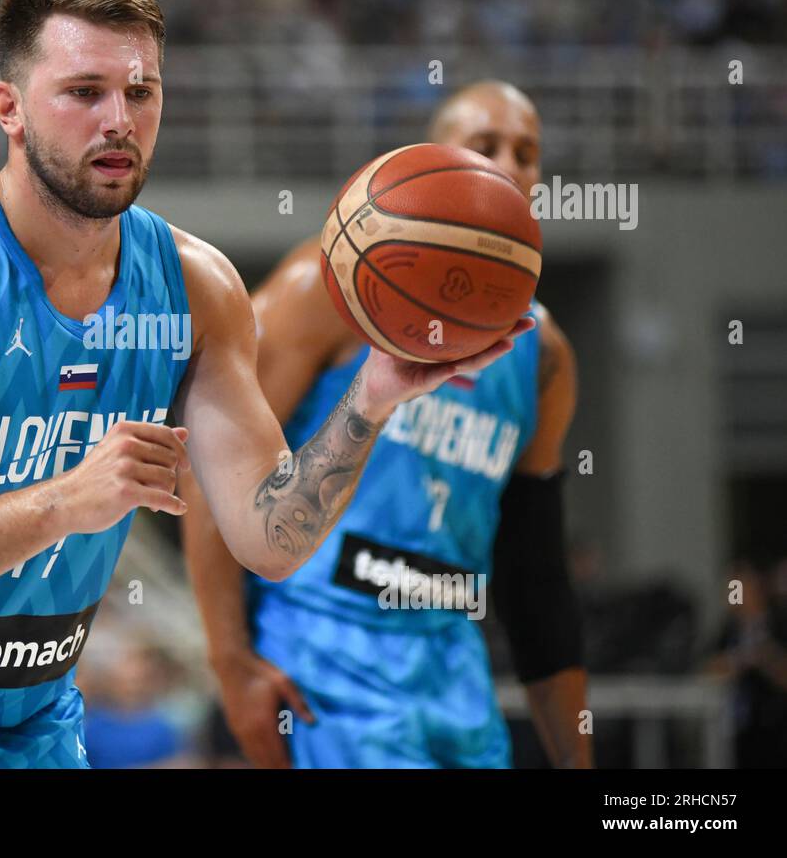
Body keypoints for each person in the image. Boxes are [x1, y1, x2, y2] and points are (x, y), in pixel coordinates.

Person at [0, 0, 528, 769]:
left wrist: (373, 395)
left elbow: (271, 534)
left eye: (141, 93)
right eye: (84, 92)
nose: (118, 121)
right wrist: (65, 502)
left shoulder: (197, 288)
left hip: (28, 720)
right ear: (9, 108)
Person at [181, 81, 589, 768]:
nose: (510, 165)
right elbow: (210, 474)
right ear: (440, 160)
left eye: (527, 152)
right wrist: (230, 660)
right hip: (319, 658)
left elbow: (535, 573)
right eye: (484, 146)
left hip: (453, 666)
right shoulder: (328, 284)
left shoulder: (545, 353)